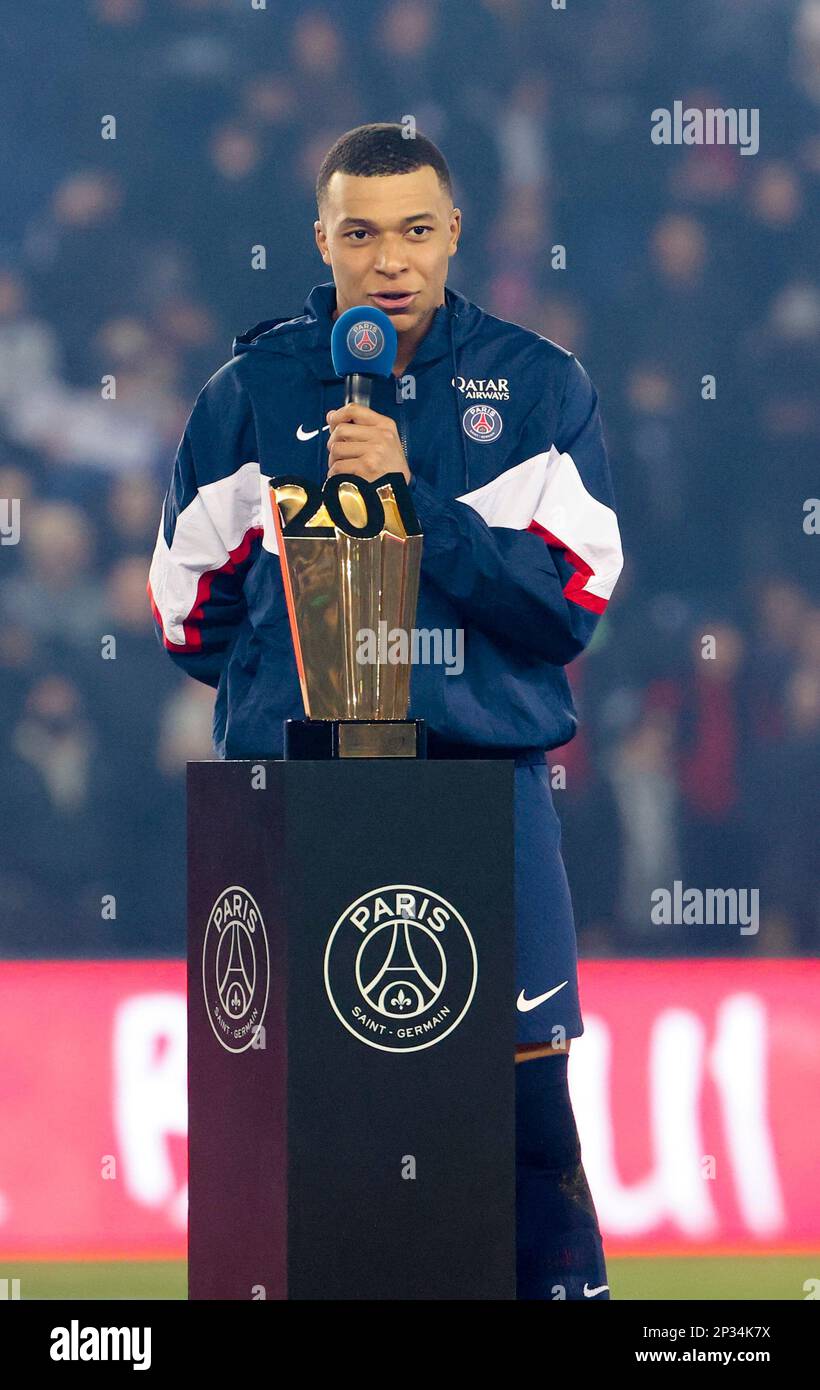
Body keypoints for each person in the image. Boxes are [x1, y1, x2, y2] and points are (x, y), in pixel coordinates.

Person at [148, 122, 623, 1300]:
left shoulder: (536, 388)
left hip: (481, 785)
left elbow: (570, 604)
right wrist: (295, 686)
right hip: (302, 796)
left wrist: (415, 503)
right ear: (322, 240)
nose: (390, 260)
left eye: (416, 230)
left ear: (455, 233)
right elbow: (184, 609)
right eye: (360, 233)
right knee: (298, 1117)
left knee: (522, 1105)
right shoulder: (250, 392)